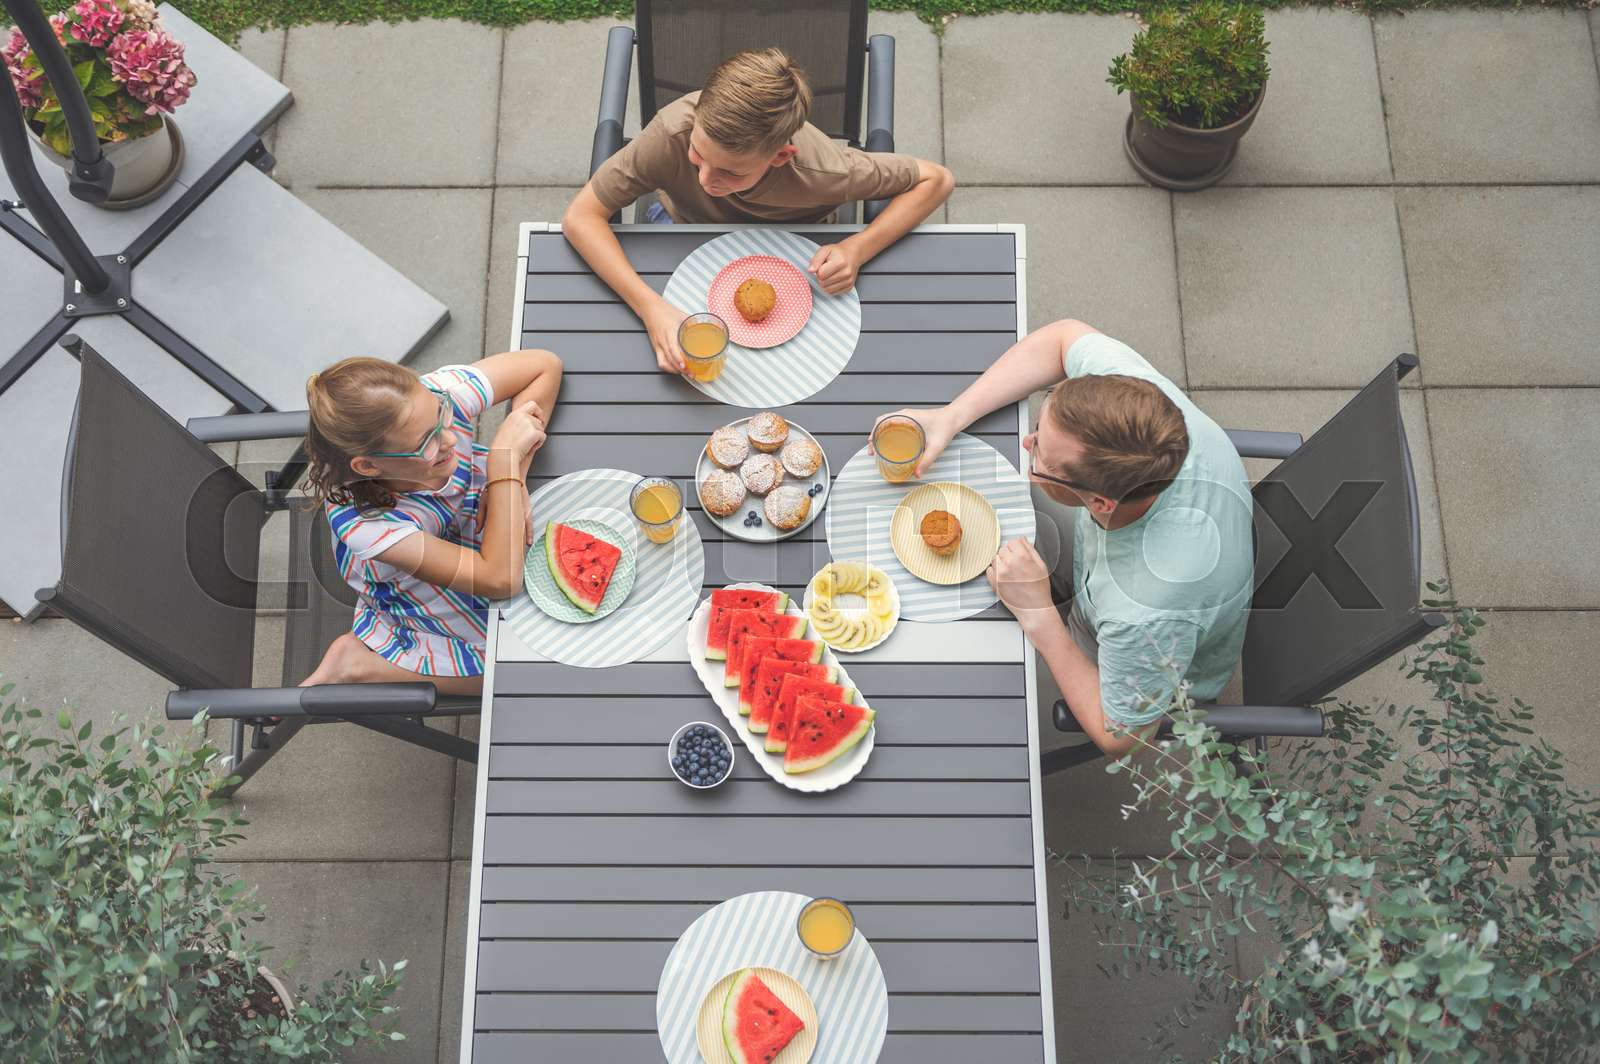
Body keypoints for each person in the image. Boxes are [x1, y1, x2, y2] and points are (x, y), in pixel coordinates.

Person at [875, 319, 1253, 757]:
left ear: (1099, 503)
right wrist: (950, 417)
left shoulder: (1142, 612)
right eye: (1040, 426)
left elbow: (1121, 736)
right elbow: (1062, 339)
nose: (1026, 442)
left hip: (1133, 650)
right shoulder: (1142, 406)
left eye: (1040, 458)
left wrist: (1039, 615)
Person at [563, 47, 955, 374]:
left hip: (797, 262)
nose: (704, 181)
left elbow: (936, 180)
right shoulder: (669, 134)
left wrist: (858, 248)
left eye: (731, 173)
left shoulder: (827, 172)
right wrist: (652, 309)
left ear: (781, 157)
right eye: (697, 156)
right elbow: (581, 216)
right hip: (685, 231)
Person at [300, 349, 563, 695]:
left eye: (443, 416)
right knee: (521, 669)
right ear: (368, 467)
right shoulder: (367, 525)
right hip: (423, 584)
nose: (450, 438)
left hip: (477, 519)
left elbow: (545, 367)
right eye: (427, 442)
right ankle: (358, 665)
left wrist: (514, 473)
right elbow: (499, 579)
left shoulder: (431, 402)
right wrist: (503, 463)